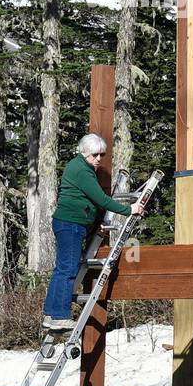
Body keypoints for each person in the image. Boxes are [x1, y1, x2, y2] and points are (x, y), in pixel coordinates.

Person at [43, 134, 143, 331]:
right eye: (95, 155)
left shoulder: (81, 167)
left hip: (70, 224)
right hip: (70, 224)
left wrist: (96, 222)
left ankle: (51, 314)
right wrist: (129, 209)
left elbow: (87, 200)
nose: (99, 158)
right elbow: (101, 199)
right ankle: (59, 316)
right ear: (85, 153)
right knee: (67, 270)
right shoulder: (82, 170)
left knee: (62, 269)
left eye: (101, 155)